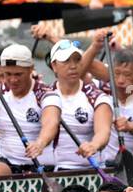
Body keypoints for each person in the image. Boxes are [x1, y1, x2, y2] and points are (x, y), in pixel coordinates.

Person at [31, 39, 112, 170]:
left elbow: (104, 131)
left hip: (90, 169)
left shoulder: (96, 97)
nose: (73, 65)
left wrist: (94, 145)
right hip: (52, 170)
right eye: (66, 61)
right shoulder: (42, 96)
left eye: (77, 60)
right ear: (54, 65)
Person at [0, 44, 56, 174]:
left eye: (18, 74)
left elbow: (51, 123)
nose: (13, 80)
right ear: (1, 70)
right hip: (5, 163)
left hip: (41, 165)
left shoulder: (45, 94)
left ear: (31, 69)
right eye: (8, 74)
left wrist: (40, 143)